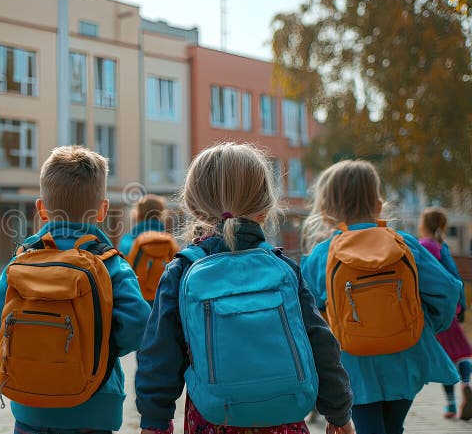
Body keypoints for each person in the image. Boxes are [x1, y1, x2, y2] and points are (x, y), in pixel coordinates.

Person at [135, 143, 355, 434]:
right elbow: (321, 345)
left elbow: (159, 357)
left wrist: (154, 421)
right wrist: (339, 414)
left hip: (214, 420)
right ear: (264, 209)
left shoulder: (182, 271)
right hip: (282, 417)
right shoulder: (283, 268)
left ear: (193, 207)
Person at [0, 145, 150, 434]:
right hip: (94, 405)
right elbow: (139, 325)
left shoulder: (24, 257)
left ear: (41, 209)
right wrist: (96, 346)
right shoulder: (110, 263)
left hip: (29, 402)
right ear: (102, 210)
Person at [300, 160, 462, 434]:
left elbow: (308, 317)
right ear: (378, 205)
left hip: (354, 367)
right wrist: (427, 325)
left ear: (326, 211)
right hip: (406, 357)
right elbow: (449, 290)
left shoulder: (321, 255)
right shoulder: (404, 244)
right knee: (393, 427)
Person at [417, 207, 471, 420]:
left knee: (445, 356)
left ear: (423, 225)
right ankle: (466, 384)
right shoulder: (443, 247)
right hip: (452, 308)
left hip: (434, 312)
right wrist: (462, 306)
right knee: (460, 353)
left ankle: (450, 405)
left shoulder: (422, 247)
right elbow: (455, 277)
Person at [119, 194, 178, 306]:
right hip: (163, 303)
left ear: (137, 215)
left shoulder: (127, 242)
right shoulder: (170, 242)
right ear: (162, 215)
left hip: (135, 302)